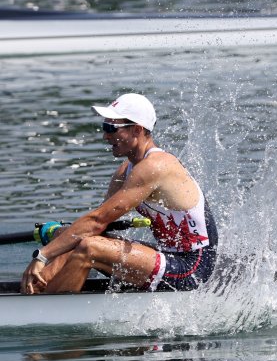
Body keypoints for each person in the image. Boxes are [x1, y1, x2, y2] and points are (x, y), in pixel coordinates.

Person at [21, 93, 218, 294]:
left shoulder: (156, 166)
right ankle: (38, 288)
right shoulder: (125, 171)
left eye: (110, 129)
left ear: (137, 130)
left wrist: (42, 255)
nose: (105, 136)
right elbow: (93, 226)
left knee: (90, 248)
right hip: (168, 255)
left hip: (192, 267)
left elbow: (97, 220)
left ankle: (49, 309)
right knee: (76, 236)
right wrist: (57, 239)